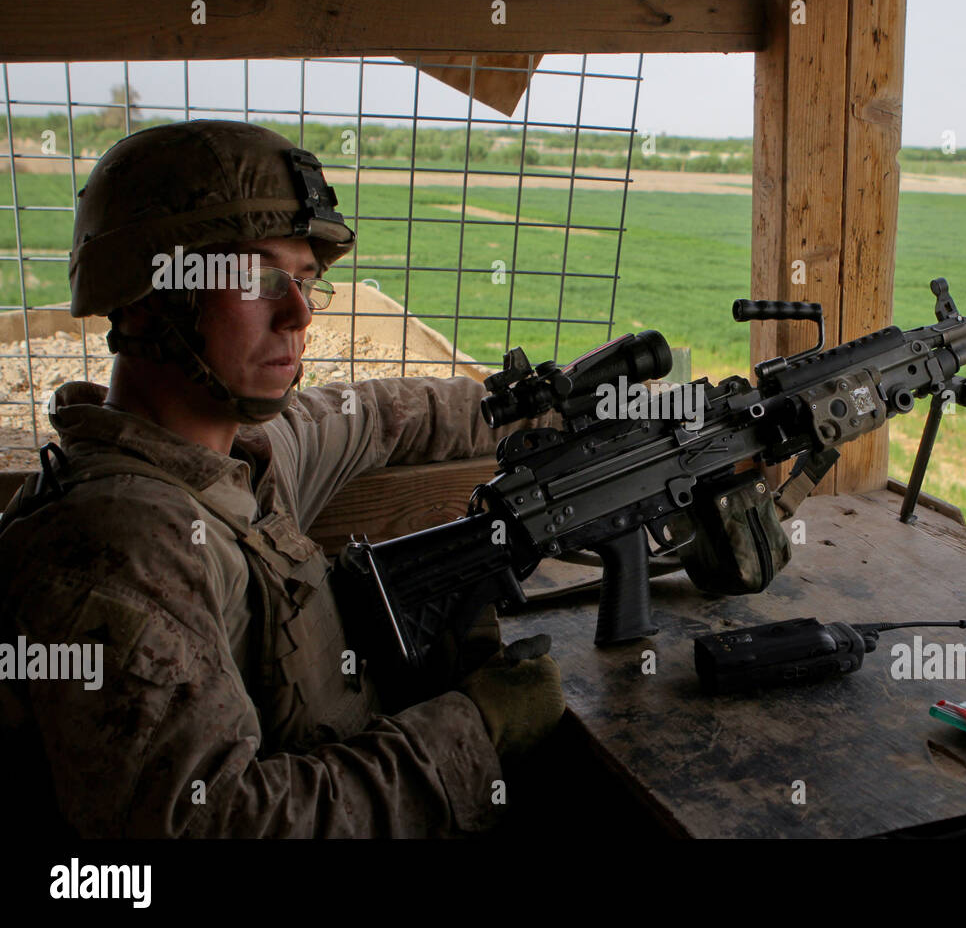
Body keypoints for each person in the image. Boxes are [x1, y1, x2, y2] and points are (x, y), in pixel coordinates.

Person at [0, 120, 564, 837]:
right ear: (149, 297)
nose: (298, 315)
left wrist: (557, 410)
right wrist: (472, 732)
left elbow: (382, 414)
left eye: (302, 282)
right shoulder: (120, 549)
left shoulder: (240, 458)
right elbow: (215, 827)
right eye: (257, 279)